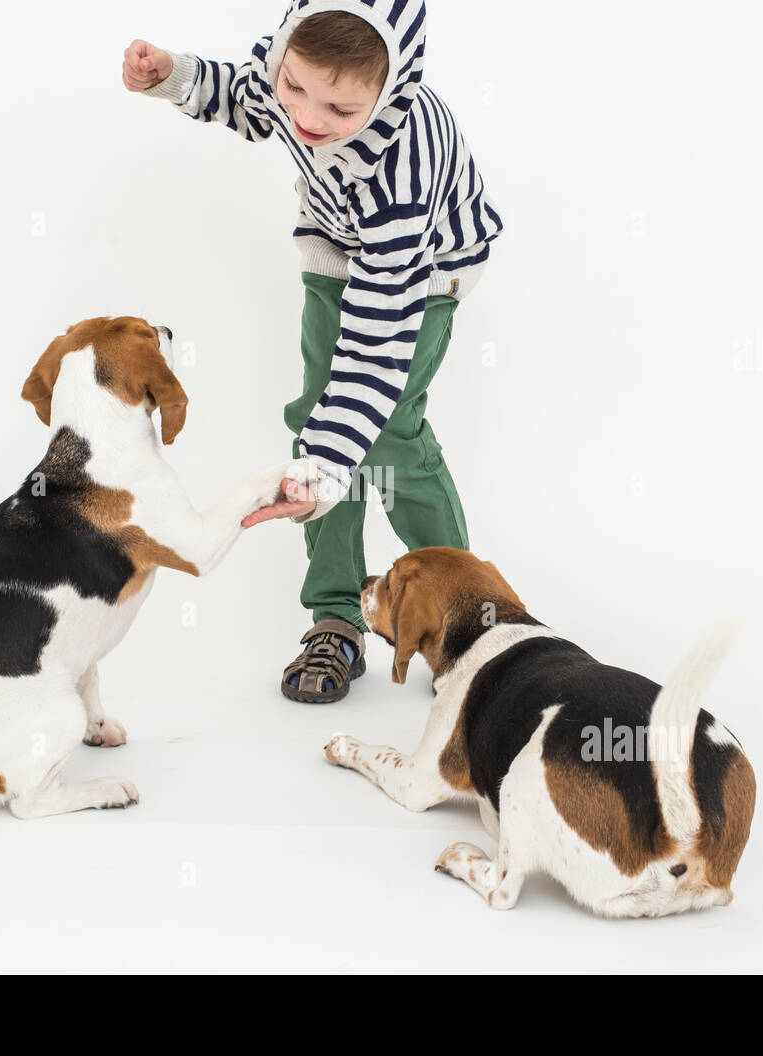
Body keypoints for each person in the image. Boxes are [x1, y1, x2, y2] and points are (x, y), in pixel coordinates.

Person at [123, 0, 502, 703]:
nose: (309, 117)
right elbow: (249, 98)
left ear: (388, 92)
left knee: (384, 434)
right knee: (317, 421)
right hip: (336, 246)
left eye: (340, 107)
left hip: (420, 272)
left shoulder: (401, 170)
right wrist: (176, 77)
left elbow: (375, 345)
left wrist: (329, 465)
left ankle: (466, 618)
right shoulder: (290, 78)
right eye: (296, 86)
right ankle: (338, 615)